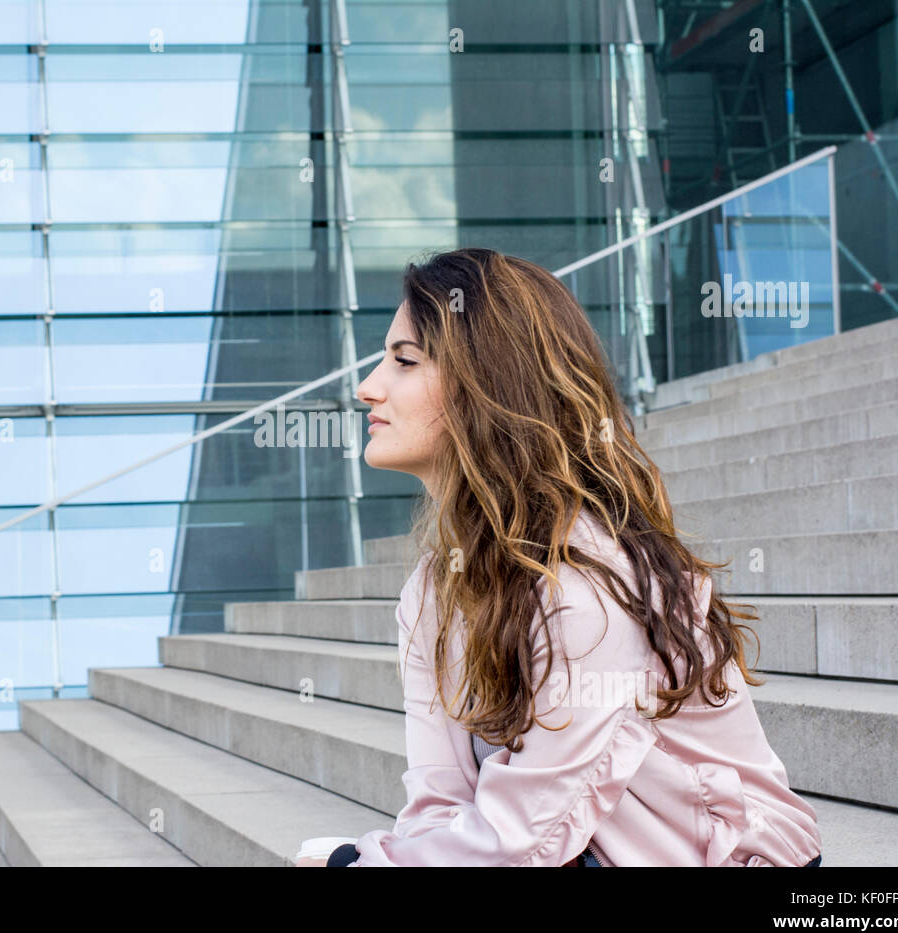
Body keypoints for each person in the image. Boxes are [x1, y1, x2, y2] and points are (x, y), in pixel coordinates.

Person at [300, 248, 822, 868]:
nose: (368, 388)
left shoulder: (585, 585)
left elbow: (518, 841)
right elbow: (439, 801)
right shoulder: (433, 590)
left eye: (404, 361)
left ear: (487, 384)